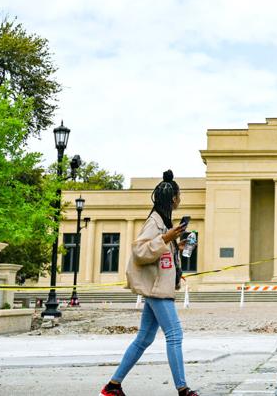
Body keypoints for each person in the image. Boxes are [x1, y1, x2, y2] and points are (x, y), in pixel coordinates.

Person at [101, 170, 200, 396]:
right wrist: (167, 238)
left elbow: (160, 253)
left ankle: (113, 386)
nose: (180, 199)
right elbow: (140, 250)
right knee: (174, 334)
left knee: (144, 338)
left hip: (160, 285)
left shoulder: (164, 222)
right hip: (157, 289)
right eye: (179, 196)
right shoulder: (154, 222)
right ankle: (183, 389)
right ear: (173, 199)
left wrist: (178, 245)